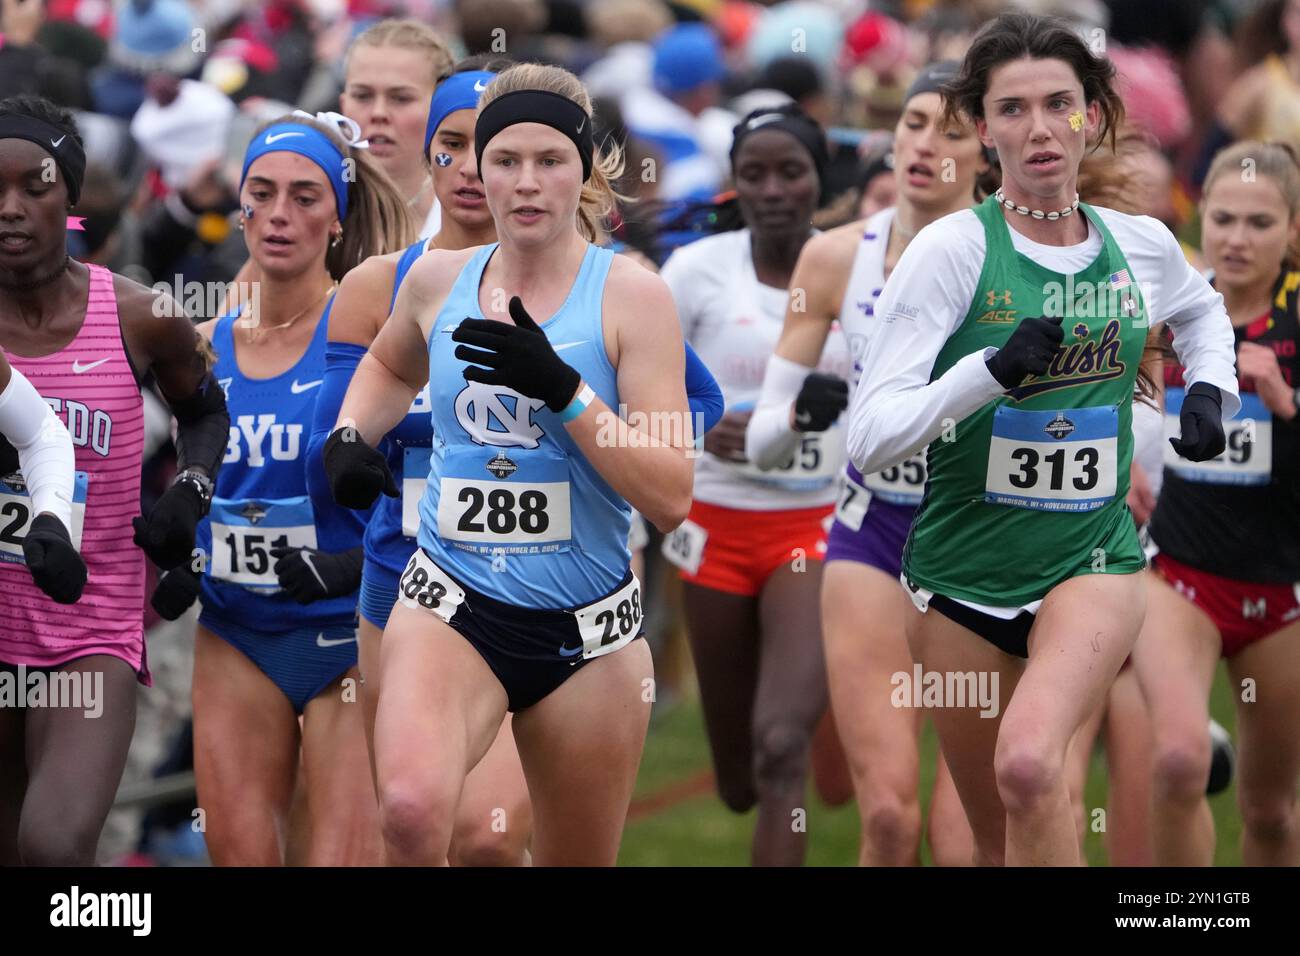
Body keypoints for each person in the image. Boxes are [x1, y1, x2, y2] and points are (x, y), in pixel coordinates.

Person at [846, 13, 1240, 866]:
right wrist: (990, 370)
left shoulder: (1140, 245)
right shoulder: (950, 252)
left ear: (1091, 116)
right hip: (958, 577)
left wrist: (1211, 388)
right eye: (1013, 109)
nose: (1039, 127)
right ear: (983, 130)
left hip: (1092, 559)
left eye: (1058, 103)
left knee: (1029, 766)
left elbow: (1204, 314)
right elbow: (871, 437)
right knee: (993, 840)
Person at [325, 62, 692, 866]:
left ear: (585, 170)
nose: (526, 183)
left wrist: (564, 391)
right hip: (451, 600)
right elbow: (389, 367)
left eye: (551, 161)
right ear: (474, 168)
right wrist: (352, 436)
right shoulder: (434, 281)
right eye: (505, 161)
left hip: (589, 632)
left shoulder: (633, 297)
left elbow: (670, 495)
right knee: (414, 815)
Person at [745, 62, 984, 866]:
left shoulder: (1016, 260)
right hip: (870, 535)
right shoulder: (834, 259)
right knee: (886, 818)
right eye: (914, 123)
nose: (924, 146)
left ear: (987, 154)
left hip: (981, 546)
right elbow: (761, 444)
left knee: (963, 839)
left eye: (953, 133)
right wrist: (803, 415)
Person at [168, 110, 413, 865]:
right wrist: (181, 548)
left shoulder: (368, 329)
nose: (279, 216)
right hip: (237, 631)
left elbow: (418, 477)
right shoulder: (202, 343)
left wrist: (353, 564)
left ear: (338, 220)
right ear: (239, 206)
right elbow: (190, 478)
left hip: (349, 632)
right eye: (262, 193)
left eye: (306, 198)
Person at [0, 94, 228, 865]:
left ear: (68, 195)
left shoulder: (142, 316)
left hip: (88, 627)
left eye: (33, 186)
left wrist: (191, 491)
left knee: (54, 850)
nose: (11, 210)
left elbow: (205, 411)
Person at [660, 103, 847, 867]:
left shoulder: (852, 269)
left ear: (818, 180)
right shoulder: (697, 272)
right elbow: (638, 389)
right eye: (754, 174)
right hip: (712, 525)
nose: (773, 189)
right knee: (739, 777)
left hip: (816, 527)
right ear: (733, 183)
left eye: (790, 172)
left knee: (780, 749)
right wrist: (703, 426)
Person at [1138, 140, 1300, 867]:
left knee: (1267, 813)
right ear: (1199, 215)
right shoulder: (1165, 315)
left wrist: (1285, 404)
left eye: (1260, 223)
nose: (1237, 238)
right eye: (1224, 218)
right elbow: (1107, 412)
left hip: (1281, 593)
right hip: (1179, 578)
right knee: (1177, 762)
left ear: (1293, 230)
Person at [338, 18, 455, 238]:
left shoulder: (470, 210)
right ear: (343, 104)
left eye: (400, 98)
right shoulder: (318, 208)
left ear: (441, 105)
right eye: (362, 96)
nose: (378, 113)